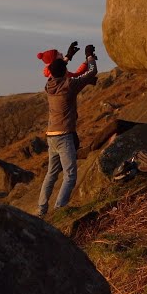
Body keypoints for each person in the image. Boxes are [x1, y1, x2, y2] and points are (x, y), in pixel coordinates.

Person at [36, 43, 98, 216]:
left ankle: (41, 210)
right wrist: (89, 57)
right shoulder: (69, 85)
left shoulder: (49, 85)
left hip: (51, 135)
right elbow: (91, 72)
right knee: (70, 175)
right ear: (64, 71)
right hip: (64, 136)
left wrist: (67, 58)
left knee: (51, 174)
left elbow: (56, 70)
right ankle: (59, 209)